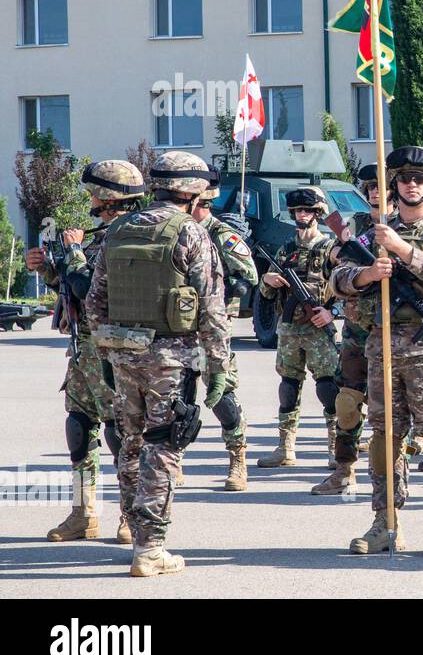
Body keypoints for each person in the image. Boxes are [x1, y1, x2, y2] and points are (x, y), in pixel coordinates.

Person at [84, 151, 230, 576]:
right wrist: (218, 364)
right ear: (192, 189)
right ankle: (151, 548)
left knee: (129, 445)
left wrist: (109, 350)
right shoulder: (190, 232)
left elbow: (96, 301)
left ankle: (135, 532)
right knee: (163, 446)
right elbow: (212, 306)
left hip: (124, 354)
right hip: (172, 356)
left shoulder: (120, 228)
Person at [332, 146, 423, 556]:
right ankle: (385, 522)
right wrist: (367, 274)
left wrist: (404, 251)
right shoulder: (373, 231)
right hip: (381, 345)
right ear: (394, 184)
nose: (411, 184)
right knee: (384, 441)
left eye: (420, 178)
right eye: (404, 177)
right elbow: (336, 278)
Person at [27, 160, 146, 544]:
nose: (90, 200)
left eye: (95, 194)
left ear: (110, 198)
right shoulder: (103, 235)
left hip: (115, 354)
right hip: (83, 352)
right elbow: (72, 286)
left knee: (121, 435)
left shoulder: (133, 237)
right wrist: (48, 269)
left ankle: (131, 516)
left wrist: (74, 251)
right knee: (79, 429)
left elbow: (89, 288)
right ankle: (84, 513)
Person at [312, 164, 391, 495]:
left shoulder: (405, 229)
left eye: (380, 185)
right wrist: (342, 257)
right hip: (358, 329)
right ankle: (344, 470)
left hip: (395, 331)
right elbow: (337, 268)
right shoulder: (355, 227)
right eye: (369, 186)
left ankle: (387, 481)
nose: (374, 191)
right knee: (346, 402)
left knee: (388, 410)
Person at [256, 187, 340, 469]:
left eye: (307, 211)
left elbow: (348, 287)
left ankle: (335, 447)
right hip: (290, 329)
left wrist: (331, 312)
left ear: (318, 214)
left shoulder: (330, 249)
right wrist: (267, 281)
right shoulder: (285, 250)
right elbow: (266, 297)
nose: (302, 216)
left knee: (328, 388)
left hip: (319, 329)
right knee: (288, 387)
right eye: (297, 212)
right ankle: (286, 447)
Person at [190, 171, 257, 492]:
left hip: (213, 327)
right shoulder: (175, 232)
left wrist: (221, 290)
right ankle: (173, 460)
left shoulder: (221, 234)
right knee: (174, 397)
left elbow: (248, 276)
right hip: (175, 327)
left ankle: (237, 458)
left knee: (221, 395)